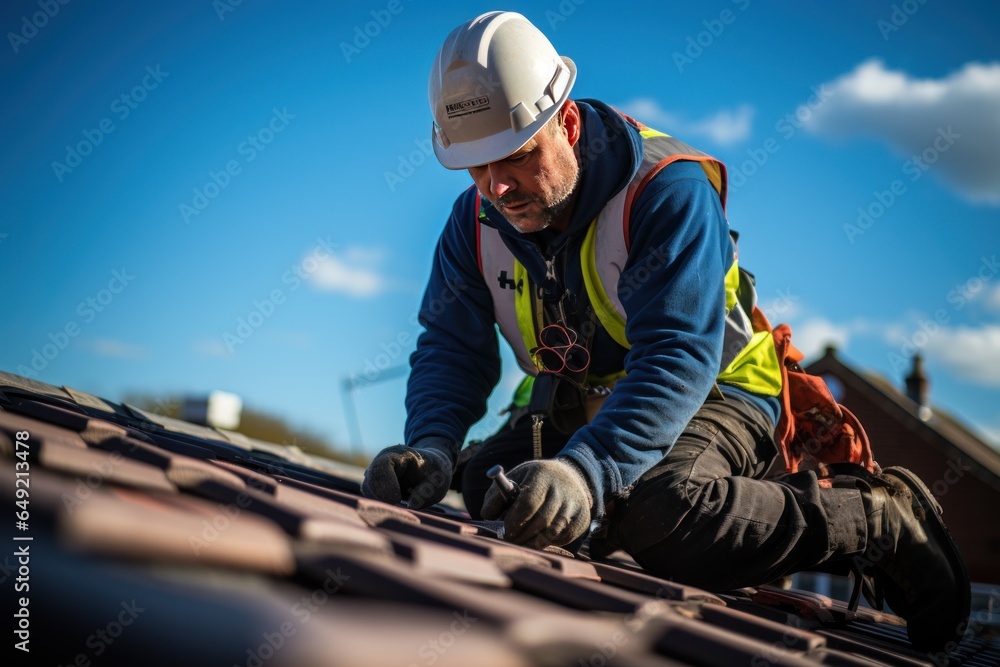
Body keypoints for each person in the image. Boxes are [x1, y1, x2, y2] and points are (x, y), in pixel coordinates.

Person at [361, 11, 969, 653]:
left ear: (564, 123)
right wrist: (429, 445)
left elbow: (677, 357)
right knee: (492, 486)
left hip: (719, 392)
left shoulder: (664, 188)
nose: (498, 187)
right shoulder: (474, 221)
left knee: (664, 512)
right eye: (477, 168)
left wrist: (588, 472)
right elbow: (450, 348)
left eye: (514, 158)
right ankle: (634, 518)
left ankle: (876, 521)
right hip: (590, 402)